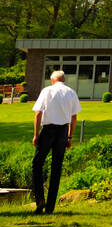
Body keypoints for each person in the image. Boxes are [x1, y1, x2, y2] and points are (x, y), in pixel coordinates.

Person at [31, 70, 82, 215]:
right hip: (63, 131)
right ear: (63, 80)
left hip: (48, 130)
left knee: (37, 164)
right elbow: (74, 117)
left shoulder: (47, 91)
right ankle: (50, 207)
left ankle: (40, 199)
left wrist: (36, 134)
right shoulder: (71, 92)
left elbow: (38, 113)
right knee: (56, 167)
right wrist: (69, 137)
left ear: (52, 80)